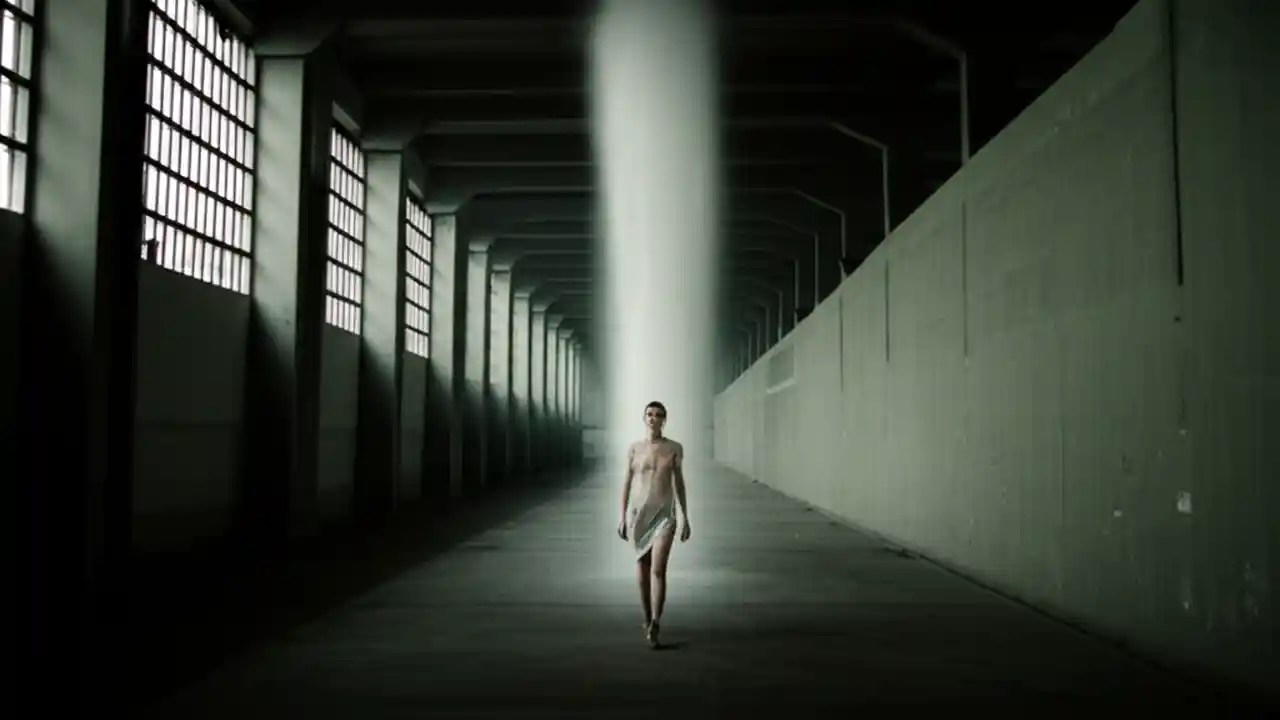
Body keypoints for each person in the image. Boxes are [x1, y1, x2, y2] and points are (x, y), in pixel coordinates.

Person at [617, 400, 691, 648]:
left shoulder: (674, 448)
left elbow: (679, 483)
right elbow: (626, 482)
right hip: (639, 515)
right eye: (649, 414)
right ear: (644, 418)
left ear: (664, 420)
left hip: (665, 515)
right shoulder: (634, 449)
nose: (653, 418)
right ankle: (647, 617)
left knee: (658, 568)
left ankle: (657, 621)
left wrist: (685, 517)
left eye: (658, 415)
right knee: (642, 567)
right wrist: (622, 516)